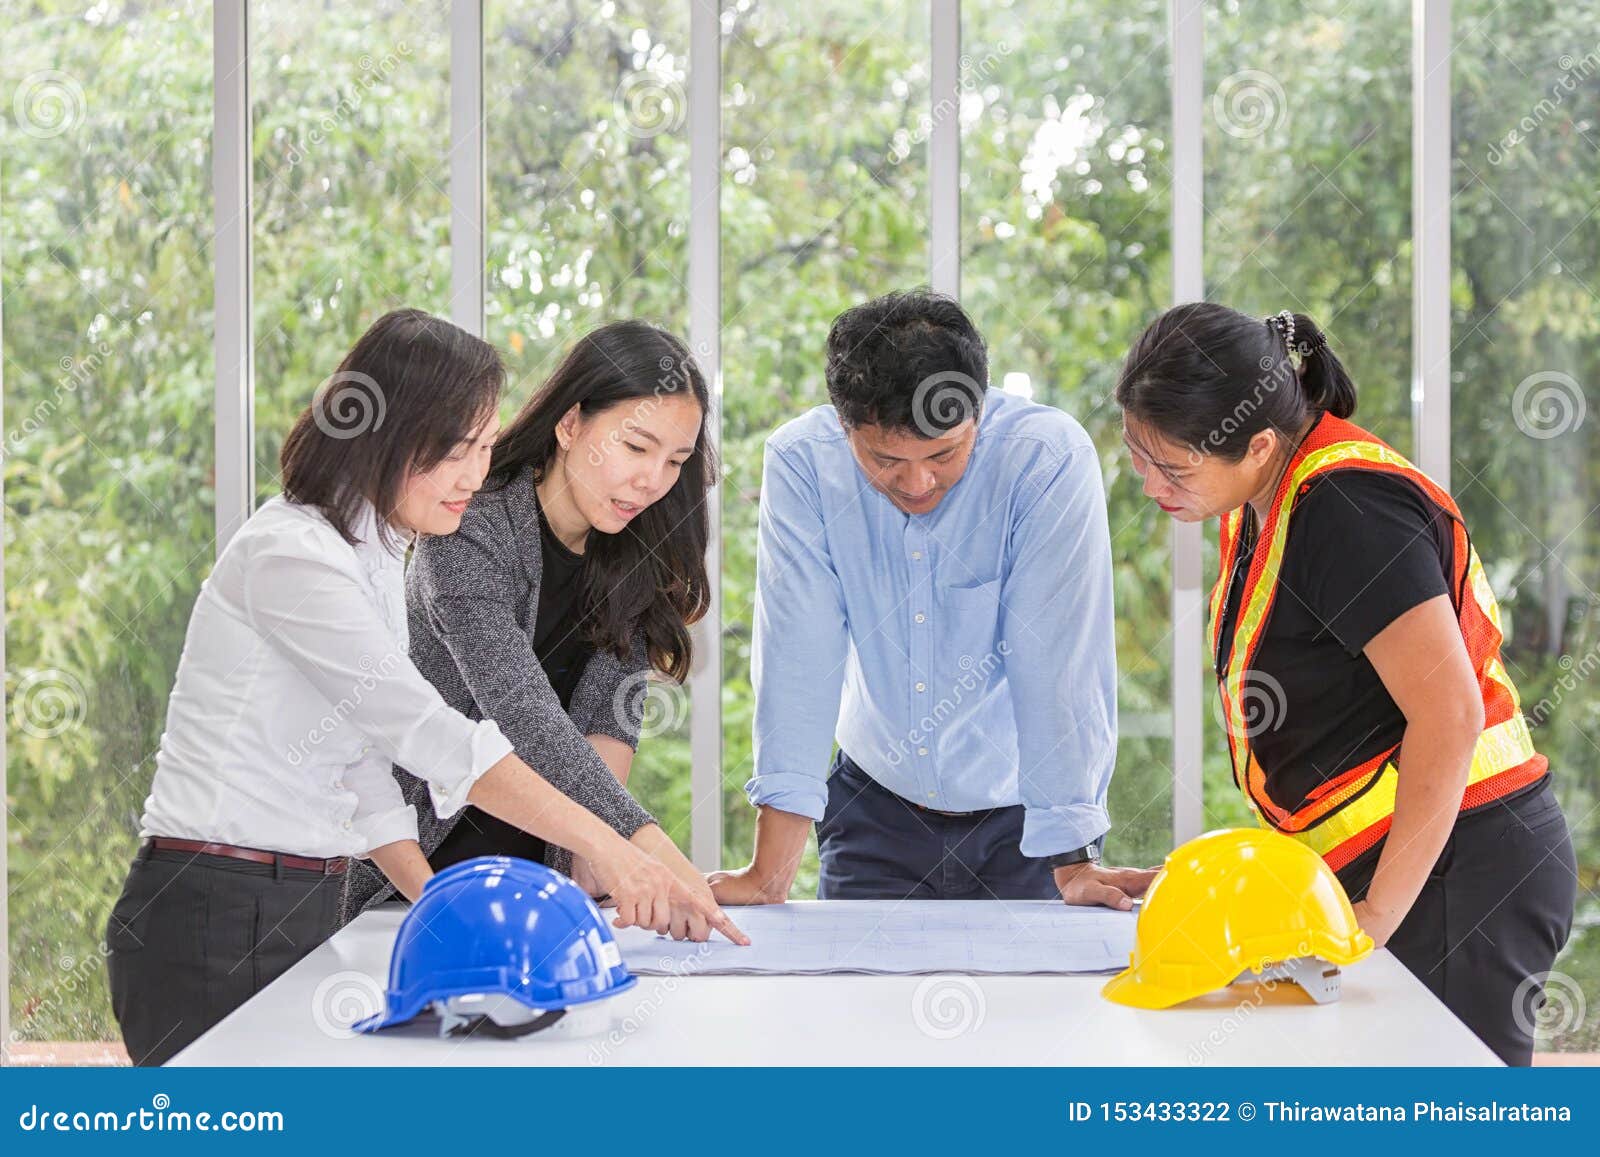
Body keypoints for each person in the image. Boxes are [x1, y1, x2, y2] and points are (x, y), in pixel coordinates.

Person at [105, 309, 743, 1067]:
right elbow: (434, 738)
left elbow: (365, 772)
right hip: (214, 905)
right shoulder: (292, 555)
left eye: (483, 447)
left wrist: (438, 904)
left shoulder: (372, 558)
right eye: (461, 450)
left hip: (305, 901)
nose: (477, 475)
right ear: (393, 434)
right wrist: (620, 848)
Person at [1115, 302, 1577, 1065]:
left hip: (1459, 875)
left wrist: (1376, 915)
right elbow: (1336, 732)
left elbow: (1450, 713)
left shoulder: (1347, 511)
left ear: (1258, 443)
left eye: (1171, 466)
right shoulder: (1263, 500)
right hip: (1396, 868)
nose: (1147, 484)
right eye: (1138, 454)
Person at [711, 289, 1155, 908]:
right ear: (844, 426)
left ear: (979, 410)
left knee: (1036, 1005)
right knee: (856, 999)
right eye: (885, 459)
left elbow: (1055, 663)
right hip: (873, 812)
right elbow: (798, 657)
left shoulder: (1045, 458)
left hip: (1024, 826)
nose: (917, 483)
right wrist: (769, 872)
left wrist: (1074, 859)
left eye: (944, 455)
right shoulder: (803, 462)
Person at [343, 320, 718, 927]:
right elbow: (526, 717)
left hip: (541, 886)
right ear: (570, 425)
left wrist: (601, 867)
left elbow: (605, 727)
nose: (653, 480)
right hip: (416, 884)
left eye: (675, 460)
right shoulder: (469, 528)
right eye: (635, 447)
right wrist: (645, 846)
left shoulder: (633, 558)